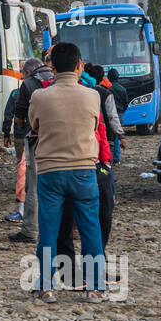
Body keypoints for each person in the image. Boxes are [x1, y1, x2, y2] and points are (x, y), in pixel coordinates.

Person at [28, 41, 106, 301]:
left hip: (50, 170)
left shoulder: (40, 95)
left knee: (48, 230)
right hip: (84, 169)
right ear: (79, 65)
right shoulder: (92, 95)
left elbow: (34, 124)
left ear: (51, 66)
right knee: (90, 229)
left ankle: (46, 286)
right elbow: (95, 123)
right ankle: (95, 287)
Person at [55, 65, 115, 288]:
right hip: (71, 164)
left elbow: (100, 130)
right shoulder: (50, 96)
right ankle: (69, 273)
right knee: (66, 221)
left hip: (97, 164)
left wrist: (106, 160)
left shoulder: (92, 95)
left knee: (101, 218)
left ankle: (95, 268)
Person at [9, 54, 55, 244]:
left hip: (37, 139)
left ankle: (29, 230)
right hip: (62, 139)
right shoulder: (57, 77)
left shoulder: (28, 85)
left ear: (28, 72)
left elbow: (19, 117)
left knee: (34, 185)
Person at [2, 57, 41, 222]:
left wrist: (6, 133)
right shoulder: (51, 85)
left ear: (28, 72)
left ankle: (23, 203)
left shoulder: (17, 92)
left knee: (24, 168)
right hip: (42, 136)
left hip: (23, 135)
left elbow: (10, 114)